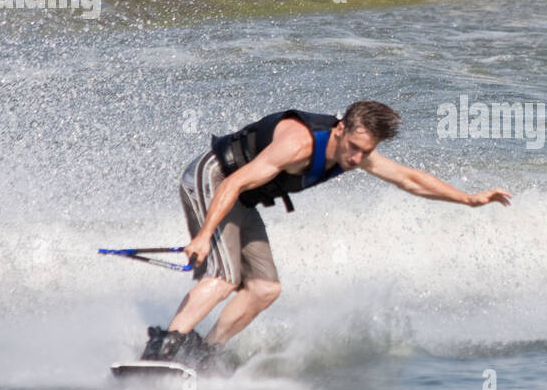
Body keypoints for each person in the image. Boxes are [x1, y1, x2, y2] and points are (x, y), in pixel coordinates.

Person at [140, 100, 512, 370]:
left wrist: (468, 199)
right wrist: (204, 236)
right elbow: (235, 180)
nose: (355, 159)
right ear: (339, 129)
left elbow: (409, 179)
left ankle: (204, 354)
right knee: (223, 276)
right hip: (214, 179)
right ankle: (161, 350)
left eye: (365, 152)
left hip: (241, 199)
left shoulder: (358, 152)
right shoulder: (298, 143)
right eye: (352, 148)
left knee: (265, 288)